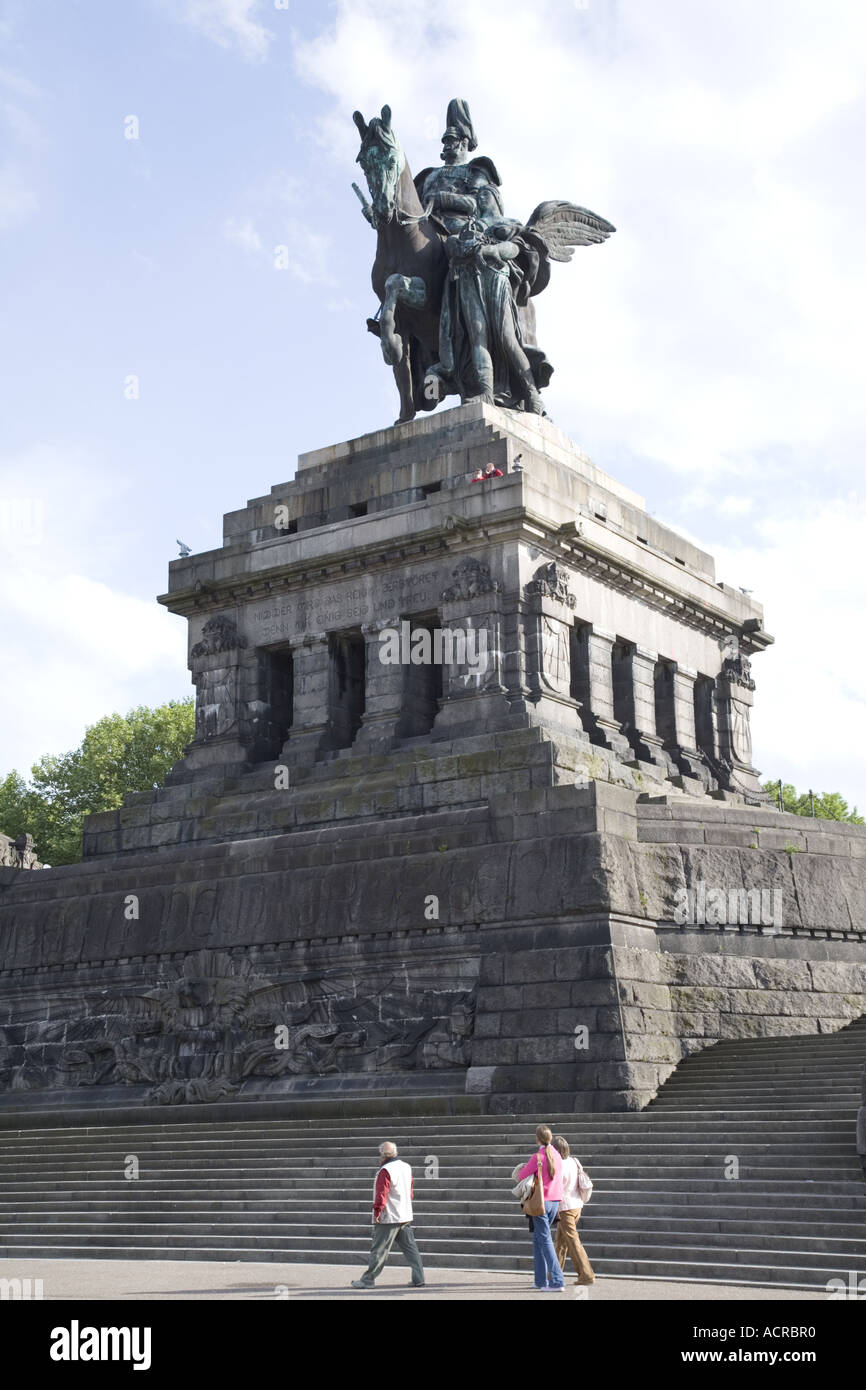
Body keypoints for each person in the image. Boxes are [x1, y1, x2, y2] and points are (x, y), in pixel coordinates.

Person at [351, 1141, 426, 1289]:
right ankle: (419, 1278)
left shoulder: (385, 1170)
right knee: (411, 1249)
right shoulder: (406, 1166)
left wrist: (377, 1212)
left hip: (389, 1216)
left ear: (382, 1154)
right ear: (395, 1152)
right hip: (404, 1214)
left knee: (379, 1250)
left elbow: (381, 1194)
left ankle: (368, 1280)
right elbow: (410, 1190)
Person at [512, 1123, 565, 1290]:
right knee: (538, 1239)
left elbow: (521, 1175)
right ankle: (540, 1281)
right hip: (555, 1201)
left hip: (540, 1201)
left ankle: (557, 1281)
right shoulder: (556, 1155)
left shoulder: (538, 1157)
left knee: (545, 1240)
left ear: (537, 1139)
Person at [552, 1135, 595, 1286]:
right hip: (577, 1205)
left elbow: (556, 1188)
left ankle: (586, 1274)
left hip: (565, 1208)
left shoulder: (557, 1166)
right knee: (561, 1241)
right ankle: (553, 1275)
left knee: (573, 1241)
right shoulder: (574, 1161)